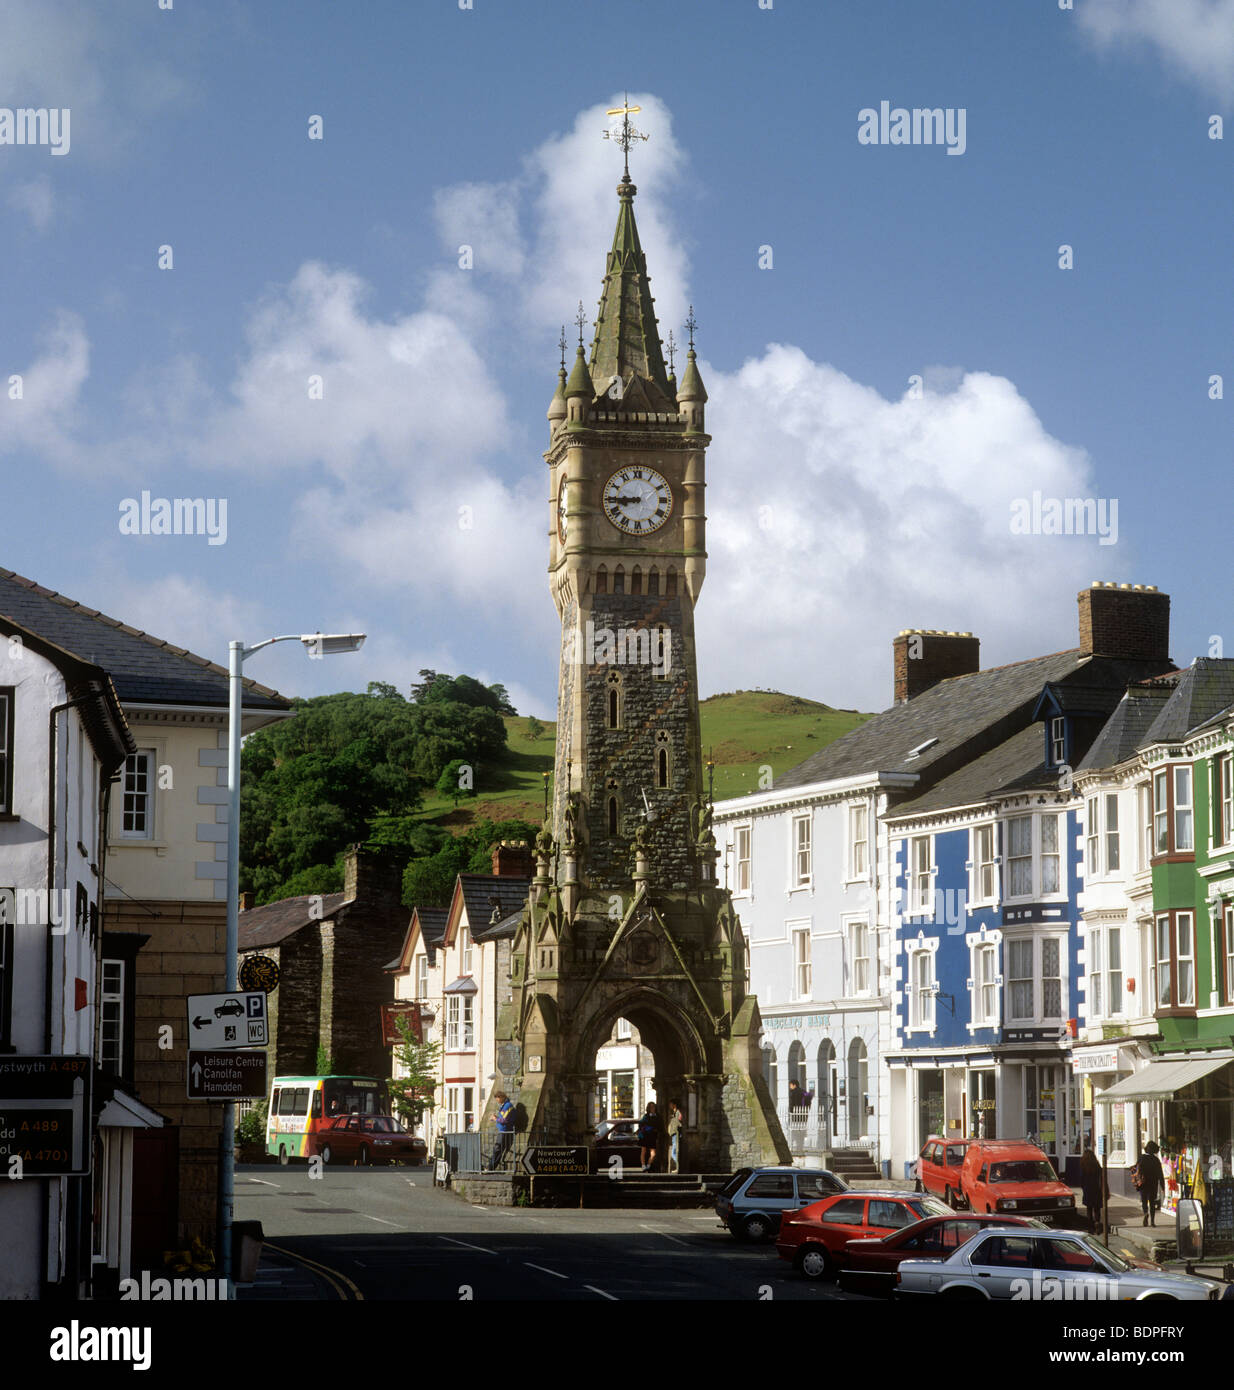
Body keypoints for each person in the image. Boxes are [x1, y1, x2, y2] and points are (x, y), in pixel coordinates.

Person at [1134, 1140, 1165, 1227]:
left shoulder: (1141, 1158)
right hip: (1153, 1183)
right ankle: (1152, 1221)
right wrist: (1162, 1186)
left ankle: (1145, 1213)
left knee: (1144, 1200)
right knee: (1152, 1202)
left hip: (1143, 1183)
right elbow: (1160, 1174)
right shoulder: (1156, 1160)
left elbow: (1136, 1170)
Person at [1079, 1142, 1107, 1233]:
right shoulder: (1097, 1165)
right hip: (1096, 1189)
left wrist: (1083, 1187)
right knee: (1097, 1209)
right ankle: (1098, 1224)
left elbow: (1081, 1179)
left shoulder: (1083, 1166)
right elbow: (1101, 1177)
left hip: (1087, 1190)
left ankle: (1090, 1227)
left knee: (1089, 1209)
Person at [488, 1091, 515, 1171]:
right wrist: (496, 1117)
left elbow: (504, 1120)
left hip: (505, 1131)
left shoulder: (507, 1106)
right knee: (498, 1150)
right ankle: (491, 1167)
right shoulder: (504, 1106)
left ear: (502, 1097)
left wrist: (495, 1118)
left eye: (498, 1098)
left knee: (497, 1149)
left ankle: (490, 1168)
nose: (497, 1101)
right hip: (503, 1131)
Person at [638, 1102, 660, 1171]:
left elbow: (660, 1126)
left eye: (653, 1107)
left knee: (653, 1154)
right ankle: (643, 1165)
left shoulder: (657, 1116)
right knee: (643, 1151)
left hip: (653, 1136)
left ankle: (648, 1165)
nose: (652, 1108)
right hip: (645, 1136)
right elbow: (640, 1124)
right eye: (651, 1107)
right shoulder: (646, 1116)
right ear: (648, 1108)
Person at [666, 1099, 684, 1174]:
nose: (670, 1106)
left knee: (674, 1152)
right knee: (674, 1151)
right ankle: (678, 1167)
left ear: (674, 1105)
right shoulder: (674, 1113)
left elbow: (680, 1122)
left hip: (676, 1134)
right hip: (673, 1134)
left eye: (671, 1104)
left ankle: (679, 1166)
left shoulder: (678, 1112)